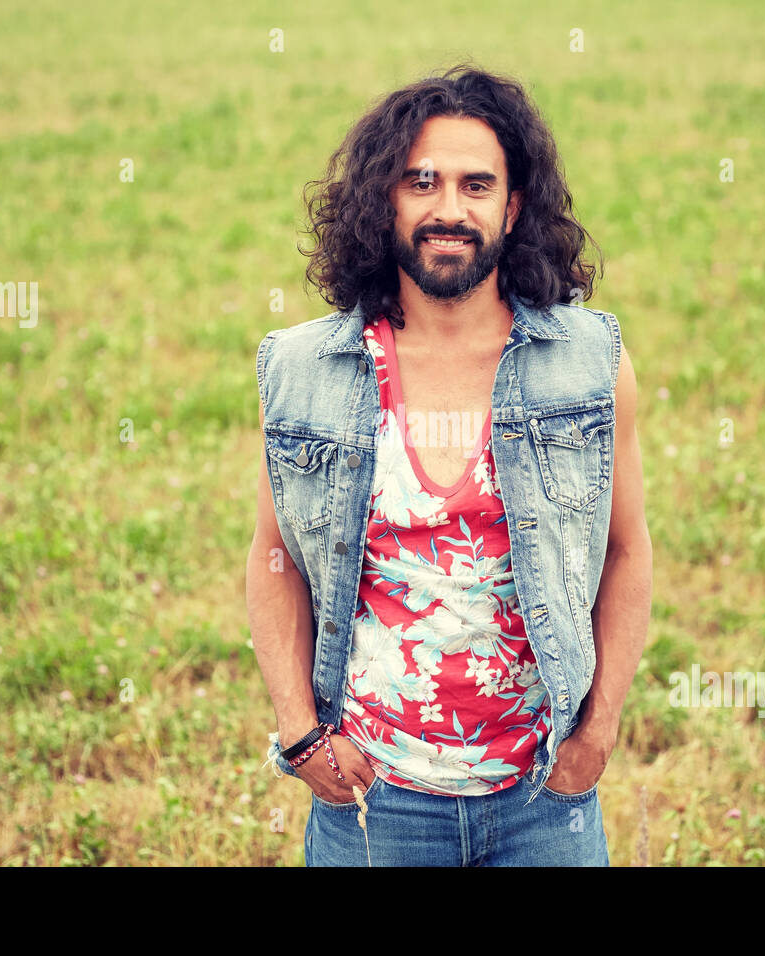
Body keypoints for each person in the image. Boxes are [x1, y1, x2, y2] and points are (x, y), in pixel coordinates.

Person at [245, 63, 652, 866]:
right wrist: (300, 733)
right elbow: (272, 558)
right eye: (421, 182)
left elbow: (628, 550)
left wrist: (598, 733)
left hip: (544, 797)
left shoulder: (588, 363)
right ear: (384, 199)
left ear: (513, 204)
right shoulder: (303, 371)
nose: (448, 210)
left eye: (476, 185)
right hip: (376, 802)